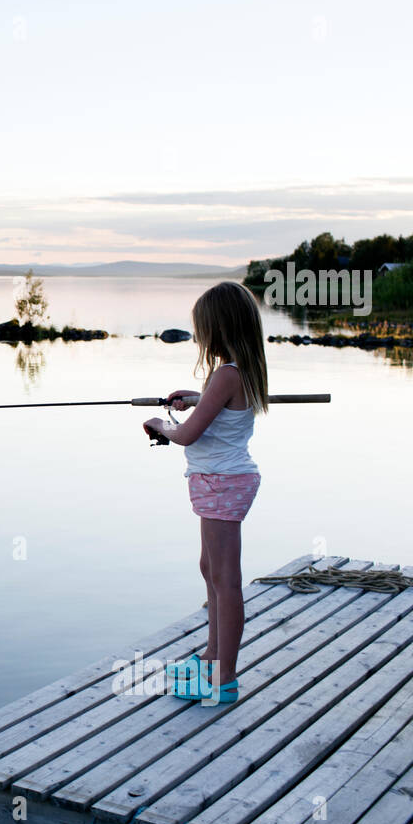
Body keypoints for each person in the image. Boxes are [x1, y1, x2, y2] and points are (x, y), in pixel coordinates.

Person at [143, 281, 268, 705]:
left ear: (217, 328)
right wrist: (196, 398)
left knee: (226, 579)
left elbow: (190, 434)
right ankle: (214, 653)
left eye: (201, 329)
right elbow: (218, 408)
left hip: (221, 482)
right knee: (209, 568)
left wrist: (162, 426)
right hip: (220, 482)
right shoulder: (239, 372)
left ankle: (225, 677)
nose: (197, 336)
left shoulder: (226, 373)